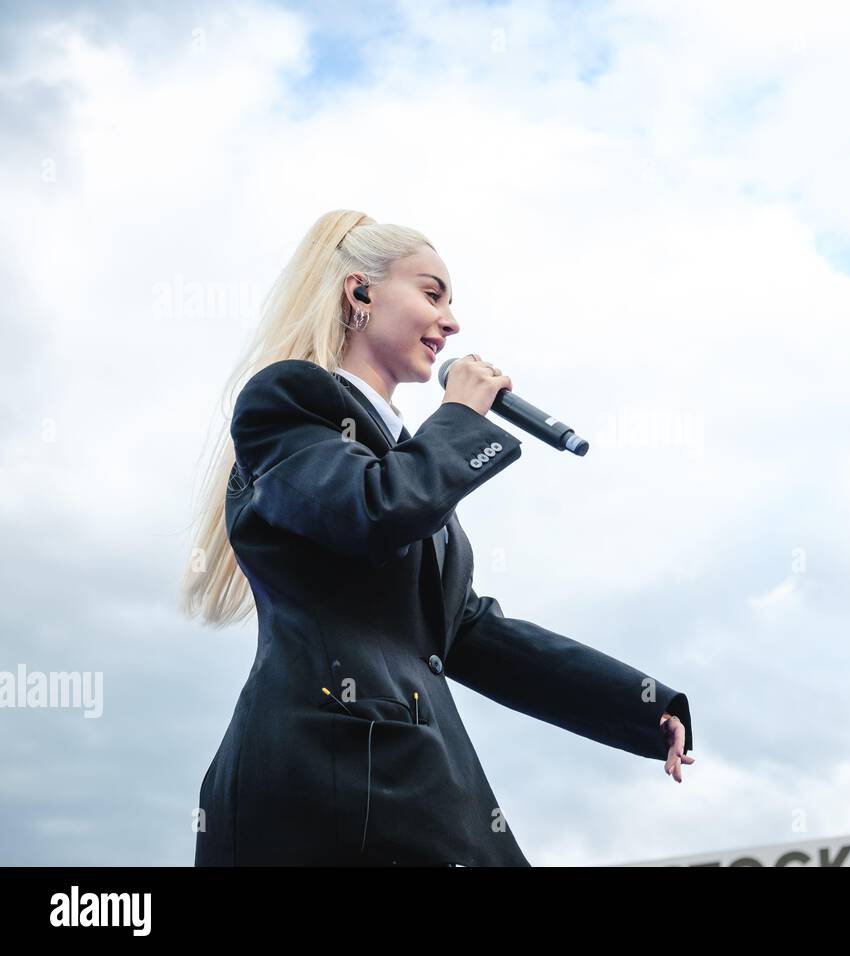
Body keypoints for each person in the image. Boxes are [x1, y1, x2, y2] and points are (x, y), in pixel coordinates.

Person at [179, 209, 694, 866]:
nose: (451, 322)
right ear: (359, 293)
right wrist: (457, 417)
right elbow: (372, 512)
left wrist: (638, 705)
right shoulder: (289, 402)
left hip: (414, 780)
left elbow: (467, 631)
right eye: (432, 293)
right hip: (331, 782)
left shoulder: (404, 460)